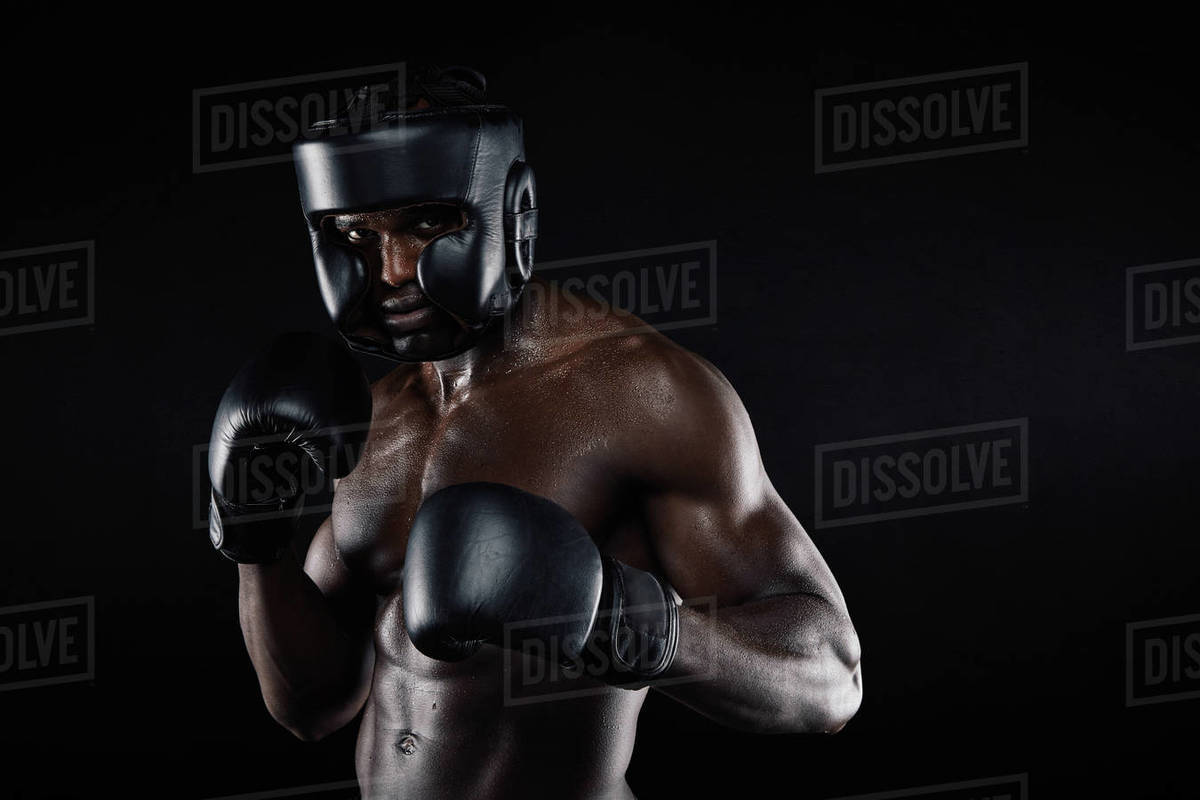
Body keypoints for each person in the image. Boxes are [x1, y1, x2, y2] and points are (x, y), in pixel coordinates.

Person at [207, 65, 862, 800]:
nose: (390, 271)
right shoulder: (373, 411)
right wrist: (255, 546)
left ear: (508, 212)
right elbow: (311, 707)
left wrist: (617, 619)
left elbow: (829, 680)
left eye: (427, 223)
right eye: (358, 234)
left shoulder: (639, 392)